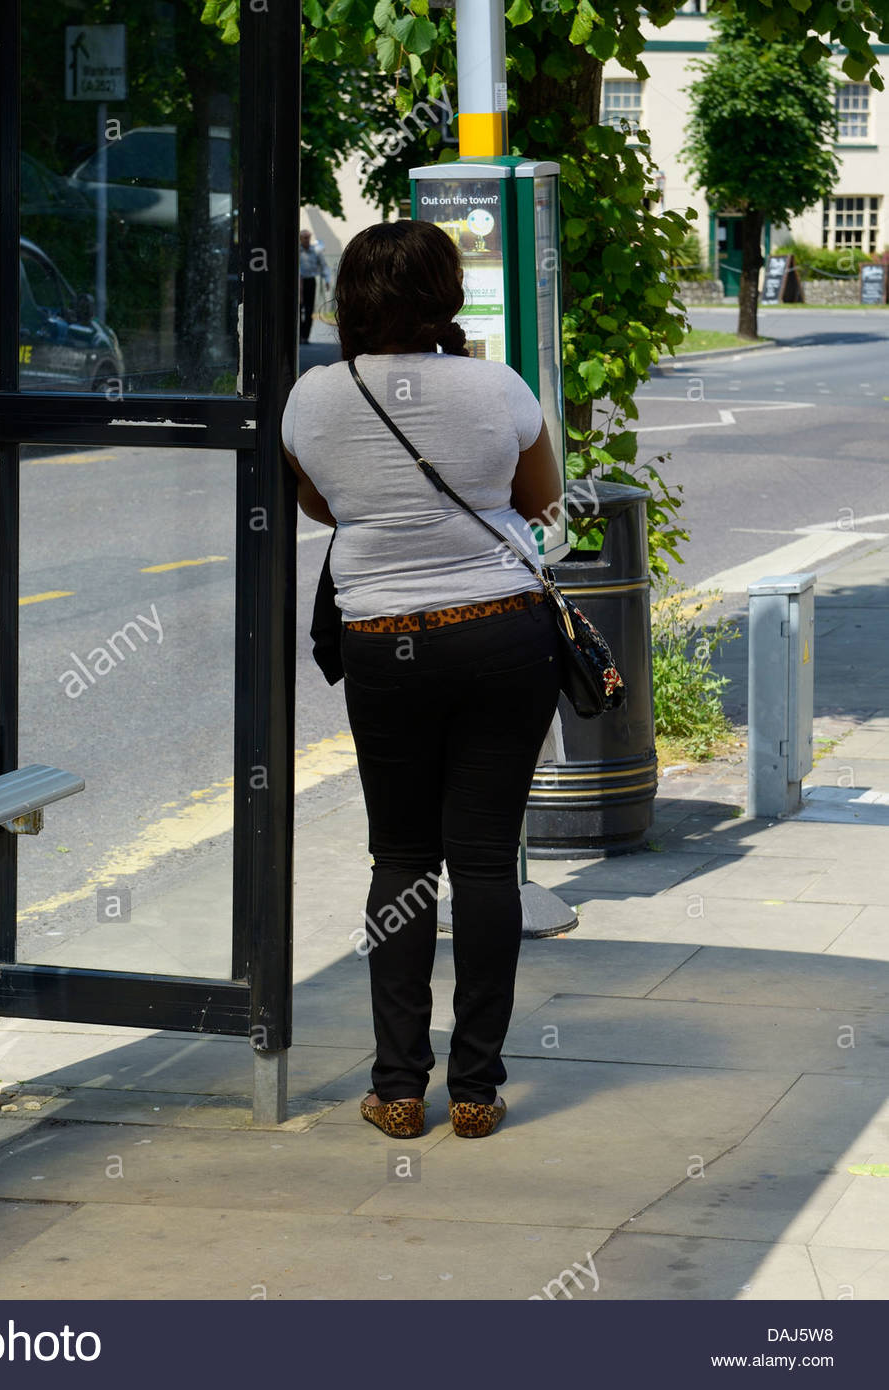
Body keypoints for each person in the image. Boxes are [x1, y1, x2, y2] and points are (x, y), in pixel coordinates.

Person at [280, 220, 563, 1141]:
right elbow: (540, 500)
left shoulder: (313, 398)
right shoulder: (496, 385)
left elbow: (323, 503)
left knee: (400, 859)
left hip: (384, 640)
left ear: (348, 299)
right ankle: (477, 1088)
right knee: (484, 859)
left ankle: (399, 1086)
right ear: (447, 292)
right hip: (500, 633)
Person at [298, 228, 330, 344]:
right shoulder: (298, 251)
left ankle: (305, 336)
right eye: (304, 238)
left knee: (309, 309)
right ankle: (299, 334)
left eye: (308, 238)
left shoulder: (315, 251)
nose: (306, 240)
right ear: (300, 239)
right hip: (299, 282)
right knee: (298, 308)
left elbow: (323, 265)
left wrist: (327, 280)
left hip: (310, 281)